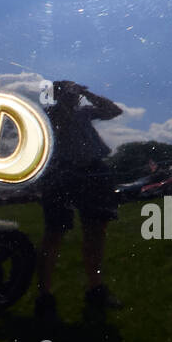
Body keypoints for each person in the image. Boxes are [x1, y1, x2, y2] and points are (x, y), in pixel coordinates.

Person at [36, 80, 123, 316]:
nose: (74, 95)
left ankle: (96, 289)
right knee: (54, 232)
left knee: (96, 230)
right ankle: (44, 294)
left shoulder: (84, 112)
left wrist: (88, 92)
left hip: (93, 170)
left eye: (75, 91)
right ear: (57, 95)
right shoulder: (49, 114)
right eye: (69, 91)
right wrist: (65, 96)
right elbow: (59, 121)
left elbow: (114, 111)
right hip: (61, 172)